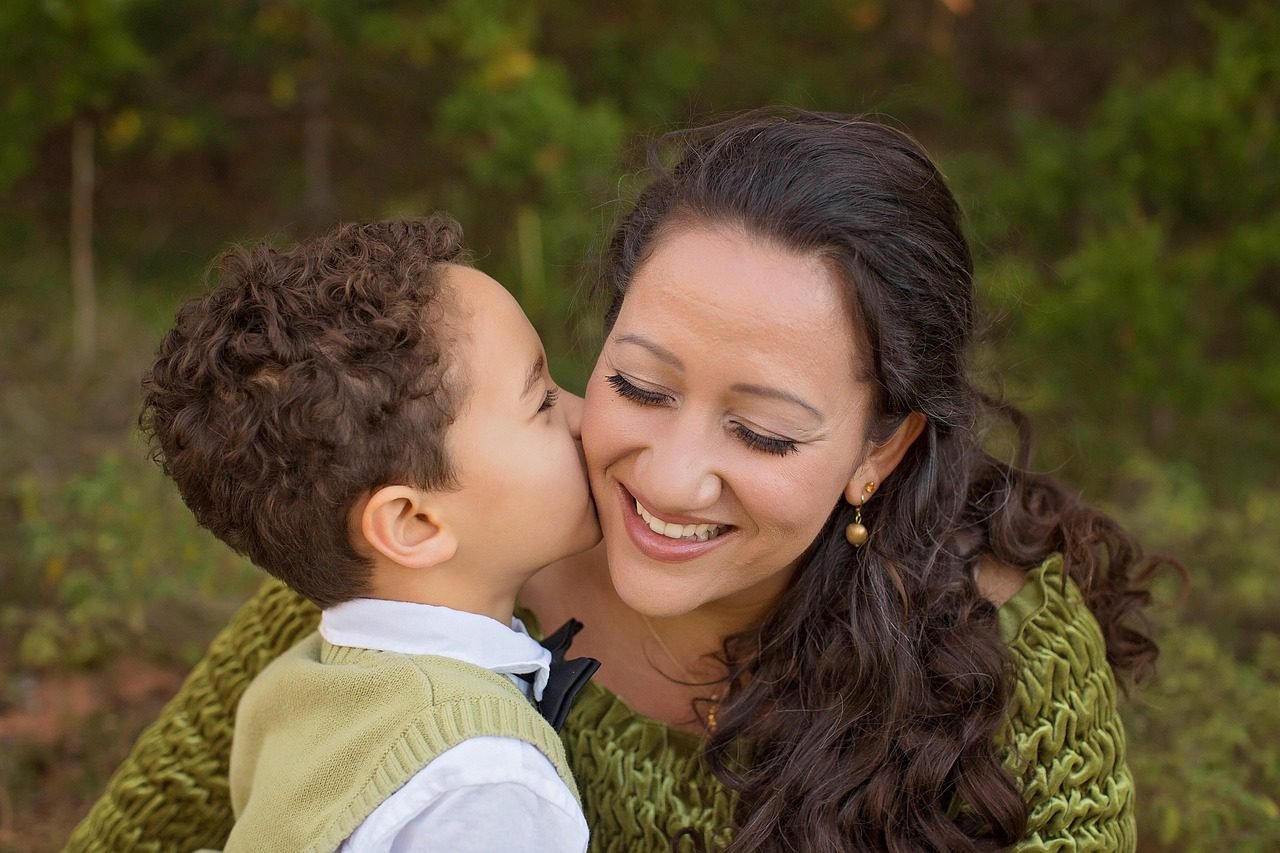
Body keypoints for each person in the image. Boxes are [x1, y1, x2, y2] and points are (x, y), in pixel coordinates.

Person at [66, 110, 1161, 852]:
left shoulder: (1010, 665)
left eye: (763, 433)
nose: (670, 475)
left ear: (879, 449)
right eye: (637, 384)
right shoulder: (439, 566)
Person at [134, 217, 601, 852]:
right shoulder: (485, 787)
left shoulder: (294, 689)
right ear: (412, 524)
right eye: (541, 401)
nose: (584, 414)